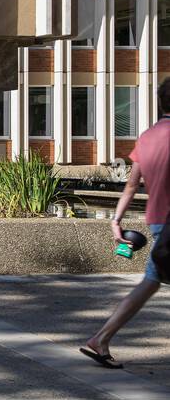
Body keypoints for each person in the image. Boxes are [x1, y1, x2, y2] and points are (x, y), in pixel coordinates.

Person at [80, 78, 170, 368]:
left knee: (149, 283)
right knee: (149, 282)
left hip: (158, 222)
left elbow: (131, 186)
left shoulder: (147, 137)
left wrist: (116, 221)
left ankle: (100, 339)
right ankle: (100, 338)